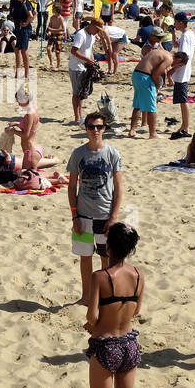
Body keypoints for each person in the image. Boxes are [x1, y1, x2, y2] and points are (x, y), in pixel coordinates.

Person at [84, 222, 144, 388]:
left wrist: (93, 327)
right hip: (129, 343)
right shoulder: (139, 275)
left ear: (108, 247)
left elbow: (92, 315)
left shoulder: (101, 277)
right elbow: (137, 310)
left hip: (107, 346)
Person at [67, 112, 125, 307]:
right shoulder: (78, 154)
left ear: (104, 129)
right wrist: (74, 215)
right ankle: (86, 297)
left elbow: (118, 188)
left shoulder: (112, 154)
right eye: (91, 127)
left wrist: (113, 217)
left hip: (105, 214)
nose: (95, 131)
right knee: (85, 258)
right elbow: (71, 186)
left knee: (106, 258)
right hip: (83, 215)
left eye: (99, 127)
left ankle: (104, 297)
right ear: (86, 129)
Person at [128, 27, 172, 139]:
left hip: (140, 74)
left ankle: (133, 129)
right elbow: (155, 70)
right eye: (158, 37)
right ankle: (152, 133)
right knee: (151, 105)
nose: (160, 39)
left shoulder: (158, 47)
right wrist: (157, 84)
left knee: (138, 104)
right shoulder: (148, 47)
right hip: (146, 75)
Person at [6, 87, 59, 171]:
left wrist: (13, 131)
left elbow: (26, 135)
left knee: (30, 178)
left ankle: (58, 177)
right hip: (33, 148)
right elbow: (30, 127)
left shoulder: (29, 114)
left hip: (30, 151)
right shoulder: (33, 110)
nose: (18, 104)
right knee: (28, 176)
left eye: (18, 101)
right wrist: (17, 124)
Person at [168, 13, 195, 139]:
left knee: (183, 100)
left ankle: (186, 127)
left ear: (180, 22)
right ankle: (185, 126)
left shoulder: (186, 36)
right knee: (182, 100)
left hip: (182, 72)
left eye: (176, 22)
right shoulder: (189, 34)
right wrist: (173, 33)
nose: (174, 24)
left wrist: (172, 70)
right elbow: (176, 45)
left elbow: (184, 57)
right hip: (184, 71)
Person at [68, 17, 100, 123]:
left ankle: (80, 115)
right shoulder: (81, 34)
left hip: (84, 66)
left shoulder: (92, 36)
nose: (98, 32)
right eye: (97, 29)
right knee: (76, 93)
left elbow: (89, 50)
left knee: (82, 93)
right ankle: (77, 117)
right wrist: (87, 60)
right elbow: (73, 51)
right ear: (92, 26)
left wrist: (93, 61)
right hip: (76, 66)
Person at [9, 0, 36, 79]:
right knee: (17, 50)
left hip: (24, 29)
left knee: (24, 51)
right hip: (19, 28)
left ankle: (26, 74)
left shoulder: (26, 3)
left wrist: (26, 23)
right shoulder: (19, 3)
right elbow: (35, 12)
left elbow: (31, 15)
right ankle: (18, 72)